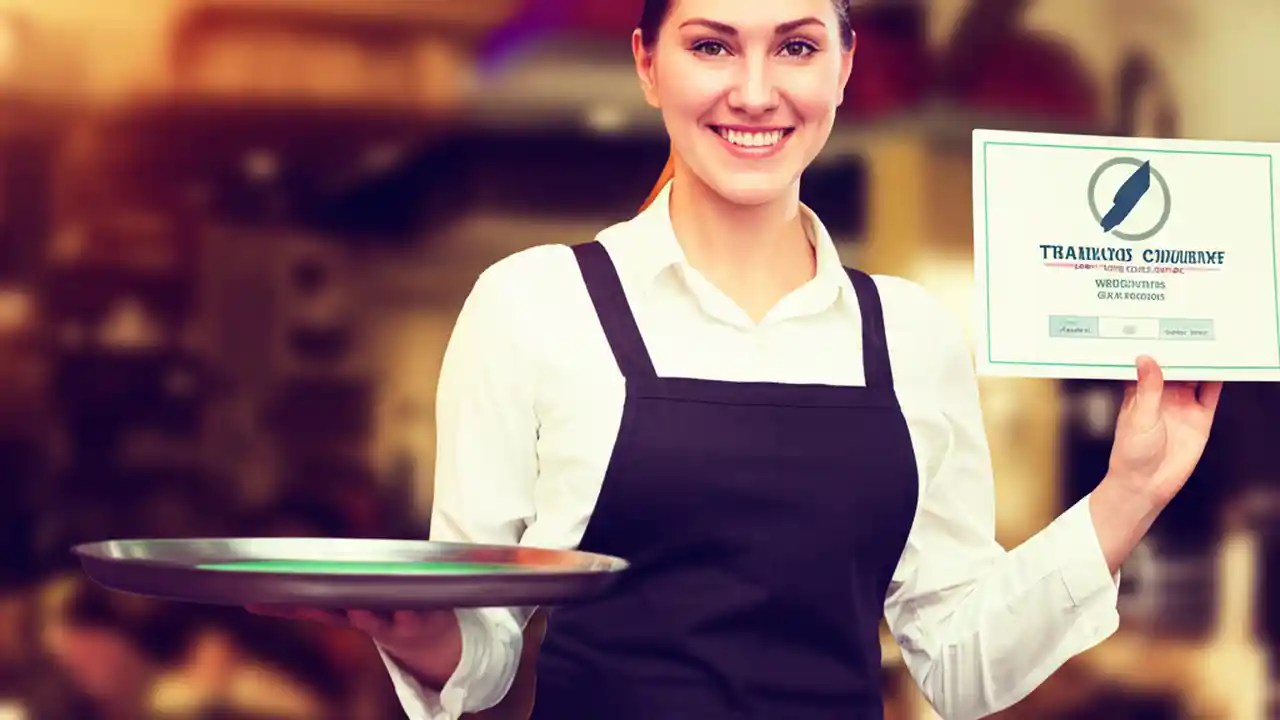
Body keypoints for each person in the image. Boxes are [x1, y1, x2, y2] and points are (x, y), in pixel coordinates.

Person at [251, 1, 1224, 718]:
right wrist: (420, 631)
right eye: (711, 45)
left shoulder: (911, 334)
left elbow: (961, 666)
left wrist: (1129, 493)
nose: (755, 92)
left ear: (843, 67)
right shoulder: (533, 304)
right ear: (647, 63)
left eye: (795, 46)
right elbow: (486, 653)